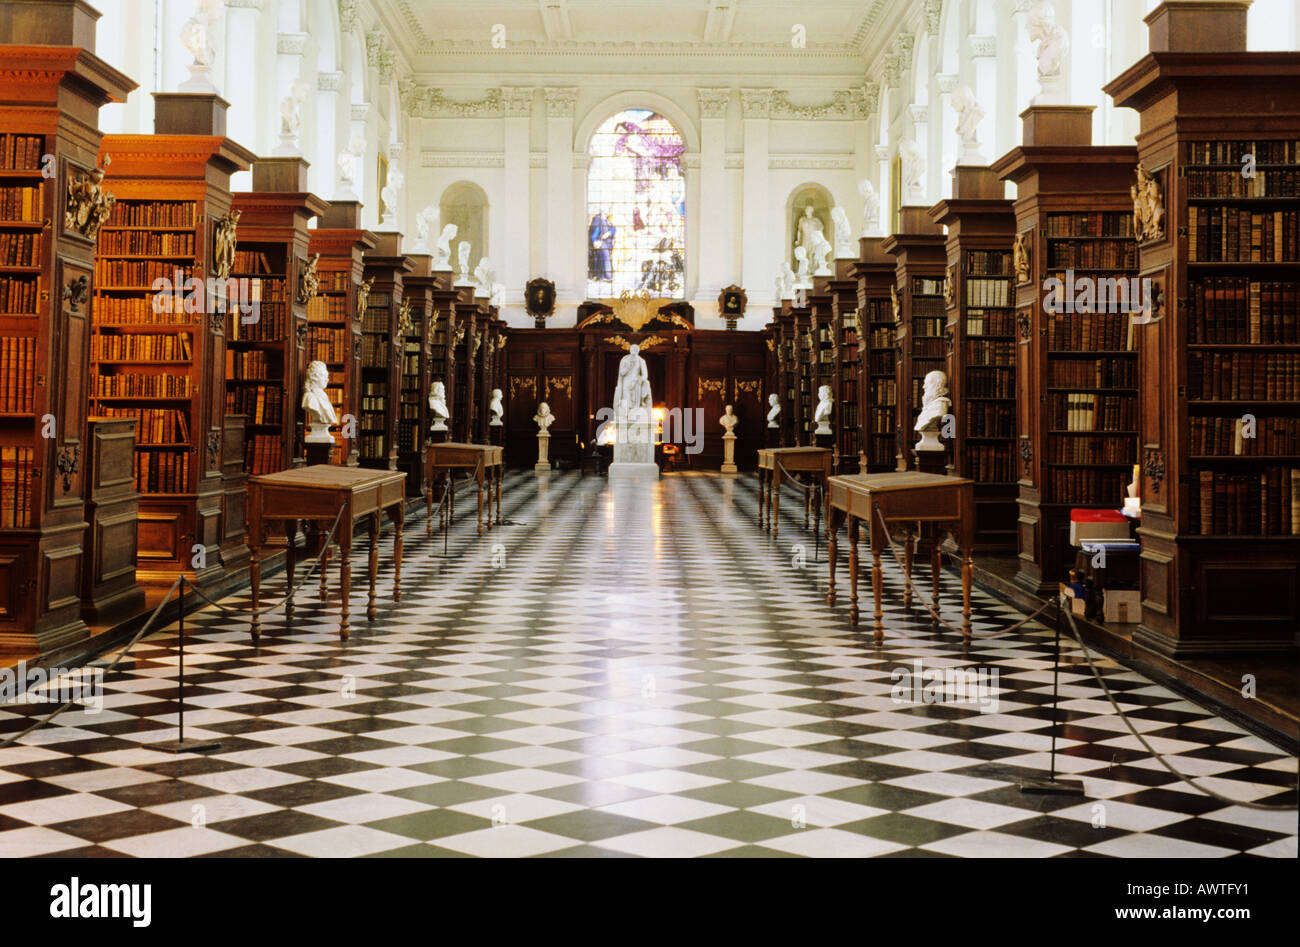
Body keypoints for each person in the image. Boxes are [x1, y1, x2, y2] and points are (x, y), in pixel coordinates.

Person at [588, 208, 615, 282]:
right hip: (599, 242)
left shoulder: (606, 220)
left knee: (605, 258)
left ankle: (605, 276)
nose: (607, 213)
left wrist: (609, 233)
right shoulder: (598, 219)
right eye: (605, 212)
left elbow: (613, 228)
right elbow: (594, 232)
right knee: (605, 258)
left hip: (606, 243)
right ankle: (608, 276)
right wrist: (594, 241)